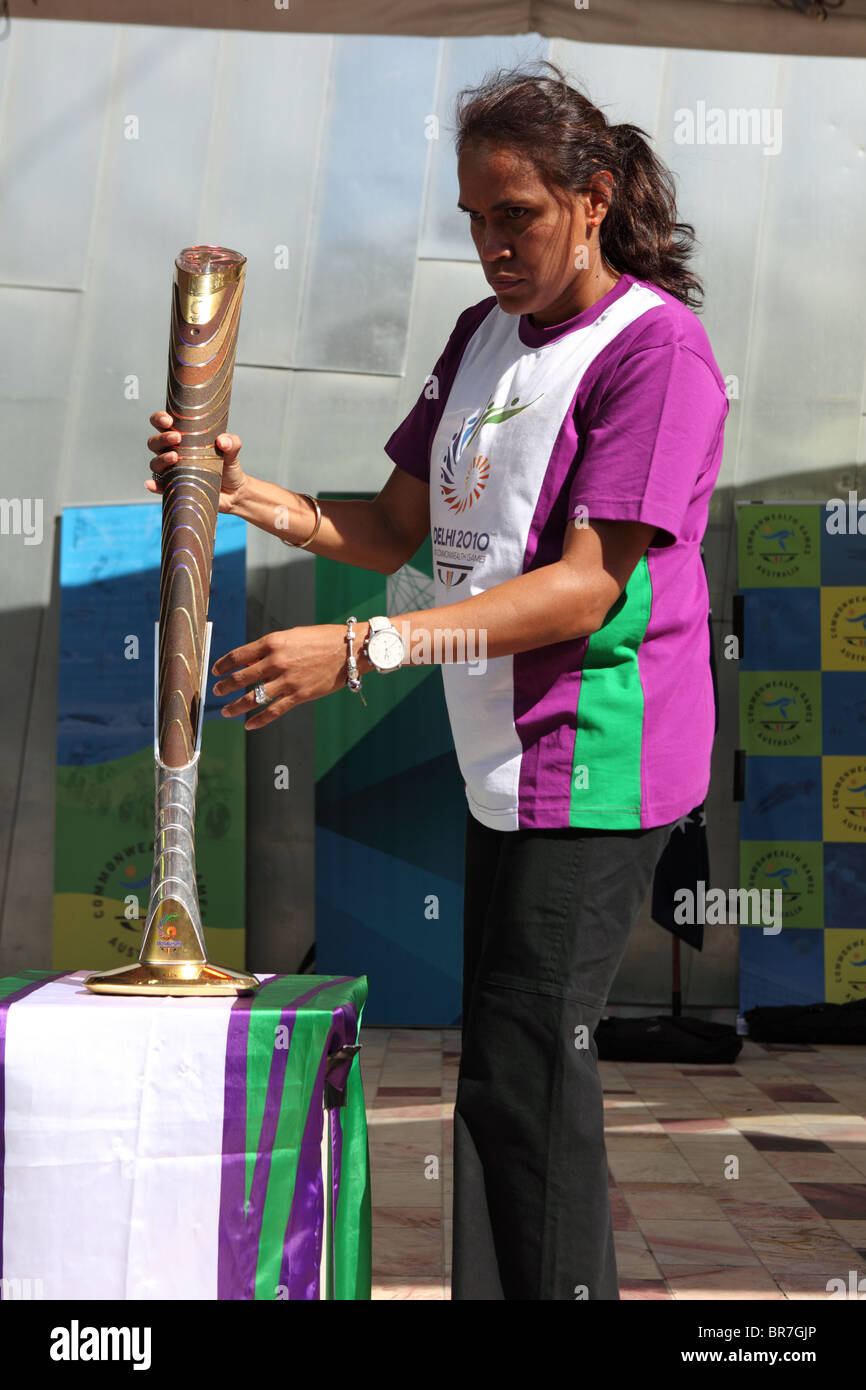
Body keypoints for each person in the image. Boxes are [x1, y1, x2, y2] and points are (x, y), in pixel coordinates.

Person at [146, 59, 728, 1300]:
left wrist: (365, 647)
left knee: (529, 1076)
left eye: (517, 214)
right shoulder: (478, 335)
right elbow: (392, 528)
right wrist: (234, 490)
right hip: (500, 753)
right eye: (471, 218)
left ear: (592, 198)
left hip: (600, 751)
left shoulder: (656, 352)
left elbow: (584, 590)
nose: (491, 246)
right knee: (507, 1075)